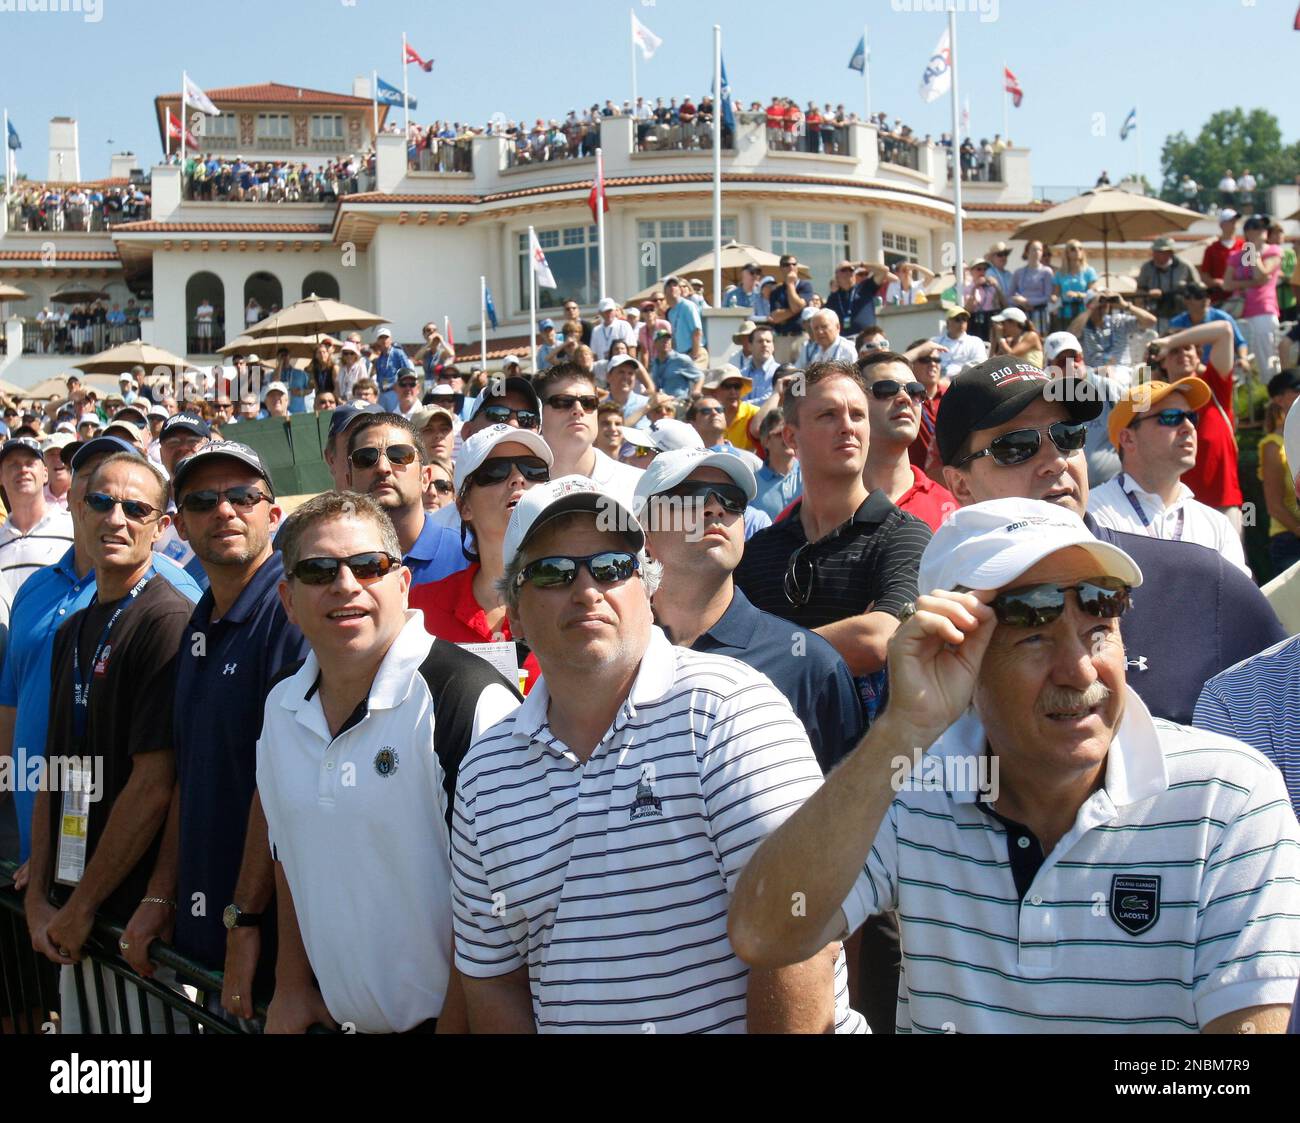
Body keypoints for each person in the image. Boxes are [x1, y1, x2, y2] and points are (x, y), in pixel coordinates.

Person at [729, 496, 1300, 1034]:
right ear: (955, 656)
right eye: (1033, 632)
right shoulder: (911, 783)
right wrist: (903, 728)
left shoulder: (1227, 797)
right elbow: (766, 933)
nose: (1079, 670)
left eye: (1099, 622)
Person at [449, 475, 862, 1033]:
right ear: (515, 615)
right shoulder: (485, 772)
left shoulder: (727, 706)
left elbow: (798, 933)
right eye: (552, 572)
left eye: (613, 568)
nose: (587, 590)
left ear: (647, 587)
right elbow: (494, 979)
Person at [258, 491, 520, 1033]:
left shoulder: (469, 700)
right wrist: (291, 986)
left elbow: (501, 908)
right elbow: (287, 855)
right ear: (288, 598)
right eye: (318, 570)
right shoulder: (281, 707)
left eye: (368, 566)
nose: (345, 585)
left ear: (402, 584)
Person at [935, 354, 1285, 725]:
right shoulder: (941, 629)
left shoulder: (1204, 583)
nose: (1056, 461)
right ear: (960, 484)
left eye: (1067, 436)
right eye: (1016, 446)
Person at [119, 440, 306, 1024]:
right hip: (217, 944)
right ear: (178, 526)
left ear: (272, 514)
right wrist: (161, 894)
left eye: (242, 496)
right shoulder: (200, 616)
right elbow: (190, 775)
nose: (224, 511)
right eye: (203, 501)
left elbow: (284, 788)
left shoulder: (292, 610)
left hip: (281, 955)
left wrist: (246, 919)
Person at [25, 452, 195, 1032]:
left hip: (134, 932)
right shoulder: (74, 626)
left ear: (160, 526)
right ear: (75, 507)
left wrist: (81, 907)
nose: (116, 518)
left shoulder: (167, 620)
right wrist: (39, 895)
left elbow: (154, 788)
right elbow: (54, 770)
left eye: (136, 507)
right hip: (78, 910)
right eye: (101, 501)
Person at [635, 447, 861, 772]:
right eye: (690, 497)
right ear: (645, 536)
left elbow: (852, 809)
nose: (715, 509)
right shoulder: (614, 658)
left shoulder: (810, 666)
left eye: (731, 499)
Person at [735, 361, 931, 680]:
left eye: (858, 415)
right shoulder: (758, 552)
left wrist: (762, 654)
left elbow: (879, 641)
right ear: (790, 437)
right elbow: (724, 649)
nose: (848, 427)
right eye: (828, 415)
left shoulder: (906, 536)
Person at [411, 424, 552, 695]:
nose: (518, 479)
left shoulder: (584, 592)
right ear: (464, 507)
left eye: (533, 469)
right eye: (495, 471)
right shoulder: (420, 607)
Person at [1088, 377, 1249, 574]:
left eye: (1192, 417)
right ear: (1128, 438)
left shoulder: (1217, 525)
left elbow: (1234, 602)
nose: (1189, 427)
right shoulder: (1093, 513)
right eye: (1171, 417)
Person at [346, 413, 465, 586]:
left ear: (424, 478)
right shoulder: (333, 565)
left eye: (399, 455)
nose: (382, 467)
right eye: (366, 458)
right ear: (349, 479)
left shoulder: (467, 555)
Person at [1149, 319, 1242, 529]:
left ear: (1198, 355)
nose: (1182, 354)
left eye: (1187, 348)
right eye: (1174, 351)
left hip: (1223, 504)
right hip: (1176, 510)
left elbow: (1225, 330)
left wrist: (1170, 341)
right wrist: (1147, 362)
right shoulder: (1154, 400)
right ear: (1162, 362)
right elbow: (1135, 404)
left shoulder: (1214, 386)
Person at [859, 352, 957, 531]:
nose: (905, 398)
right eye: (886, 389)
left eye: (915, 391)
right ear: (854, 404)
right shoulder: (821, 509)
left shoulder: (952, 510)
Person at [536, 363, 642, 506]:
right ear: (539, 414)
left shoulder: (638, 485)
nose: (578, 410)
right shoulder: (518, 490)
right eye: (563, 402)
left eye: (588, 402)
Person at [0, 437, 74, 593]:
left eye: (30, 463)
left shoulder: (72, 527)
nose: (23, 469)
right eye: (14, 464)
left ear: (45, 474)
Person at [1224, 214, 1283, 377]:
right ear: (1247, 231)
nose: (1259, 231)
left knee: (1268, 358)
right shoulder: (1237, 255)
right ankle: (1245, 398)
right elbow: (1227, 284)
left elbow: (1262, 274)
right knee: (1240, 361)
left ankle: (1276, 397)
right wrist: (1252, 283)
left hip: (1263, 310)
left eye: (1261, 227)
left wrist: (1253, 252)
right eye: (1253, 227)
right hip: (1240, 311)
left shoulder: (1274, 251)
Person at [1258, 370, 1300, 572]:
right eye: (1297, 389)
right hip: (1289, 542)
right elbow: (1274, 506)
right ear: (1278, 399)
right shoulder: (1272, 446)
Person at [1068, 290, 1157, 373]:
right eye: (1101, 301)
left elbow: (1151, 321)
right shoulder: (1083, 325)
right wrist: (1092, 307)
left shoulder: (1118, 321)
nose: (1104, 304)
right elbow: (1071, 333)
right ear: (1088, 306)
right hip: (1095, 373)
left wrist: (1126, 305)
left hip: (1122, 371)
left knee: (1144, 373)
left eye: (1107, 301)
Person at [1136, 237, 1201, 332]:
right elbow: (1140, 290)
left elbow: (1197, 288)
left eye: (1161, 252)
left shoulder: (1185, 266)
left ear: (1170, 253)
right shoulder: (1147, 268)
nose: (1156, 255)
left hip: (1182, 314)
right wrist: (1149, 294)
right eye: (1155, 251)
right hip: (1157, 315)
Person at [767, 254, 815, 363]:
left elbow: (796, 306)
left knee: (803, 376)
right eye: (786, 265)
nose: (791, 267)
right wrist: (796, 310)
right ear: (781, 268)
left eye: (794, 264)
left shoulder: (805, 286)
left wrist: (790, 285)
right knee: (782, 375)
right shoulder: (776, 291)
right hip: (782, 340)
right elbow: (776, 317)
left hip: (801, 337)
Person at [825, 260, 895, 334]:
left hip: (866, 337)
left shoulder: (865, 287)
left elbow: (884, 270)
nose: (848, 272)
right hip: (844, 340)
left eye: (851, 270)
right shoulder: (833, 297)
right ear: (837, 276)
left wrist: (859, 264)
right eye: (844, 270)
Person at [1010, 239, 1055, 335]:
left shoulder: (1046, 271)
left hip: (1040, 312)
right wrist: (1017, 301)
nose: (1036, 252)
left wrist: (1028, 301)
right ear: (1027, 252)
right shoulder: (1019, 272)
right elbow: (1009, 295)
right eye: (1033, 249)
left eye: (1039, 250)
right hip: (1022, 312)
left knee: (1038, 339)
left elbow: (1047, 296)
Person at [1200, 209, 1243, 308]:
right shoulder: (1211, 249)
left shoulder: (1244, 246)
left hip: (1241, 298)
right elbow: (1205, 276)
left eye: (1235, 221)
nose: (1234, 224)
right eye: (1230, 221)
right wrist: (1217, 282)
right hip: (1219, 299)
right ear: (1222, 224)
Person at [1051, 240, 1098, 327]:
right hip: (1065, 313)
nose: (1077, 251)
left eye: (1080, 248)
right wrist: (1053, 298)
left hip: (1084, 312)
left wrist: (1078, 295)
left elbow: (1093, 294)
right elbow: (1056, 294)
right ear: (1067, 253)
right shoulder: (1060, 273)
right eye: (1073, 249)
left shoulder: (1089, 271)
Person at [649, 327, 705, 400]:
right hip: (662, 404)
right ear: (655, 343)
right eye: (662, 339)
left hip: (678, 402)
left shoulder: (681, 359)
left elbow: (700, 376)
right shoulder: (654, 363)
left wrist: (696, 390)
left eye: (668, 339)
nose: (666, 342)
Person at [930, 307, 988, 376]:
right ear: (948, 323)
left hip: (963, 381)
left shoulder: (975, 341)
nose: (962, 322)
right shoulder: (934, 341)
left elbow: (980, 364)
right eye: (957, 319)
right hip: (937, 379)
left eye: (964, 319)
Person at [371, 327, 415, 412]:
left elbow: (407, 372)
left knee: (394, 418)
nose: (384, 340)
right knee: (382, 418)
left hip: (395, 391)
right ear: (378, 341)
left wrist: (399, 385)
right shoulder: (379, 358)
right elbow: (379, 377)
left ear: (390, 339)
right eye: (381, 337)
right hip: (383, 392)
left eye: (386, 337)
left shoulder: (398, 353)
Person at [662, 276, 703, 363]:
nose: (673, 288)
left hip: (696, 353)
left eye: (675, 285)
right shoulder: (670, 312)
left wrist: (694, 355)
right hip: (681, 356)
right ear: (664, 292)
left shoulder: (688, 306)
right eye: (669, 286)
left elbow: (697, 331)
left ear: (680, 290)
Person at [590, 297, 637, 362]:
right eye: (605, 311)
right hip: (603, 367)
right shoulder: (596, 330)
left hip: (622, 365)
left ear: (615, 311)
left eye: (610, 310)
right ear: (600, 313)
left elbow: (631, 348)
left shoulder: (624, 325)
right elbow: (594, 354)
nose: (608, 314)